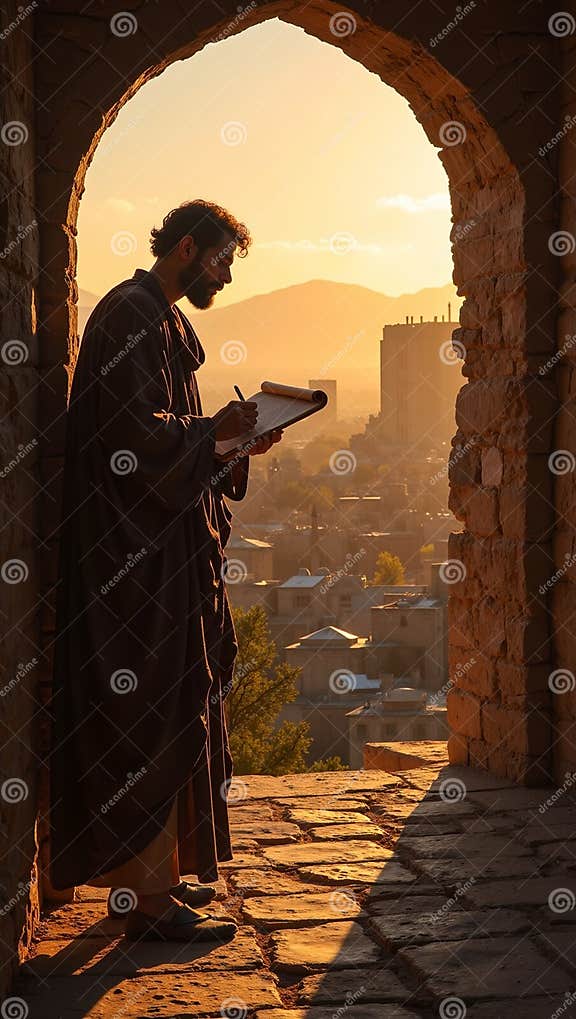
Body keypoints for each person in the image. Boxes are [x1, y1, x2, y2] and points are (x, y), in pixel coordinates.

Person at [48, 199, 282, 942]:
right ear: (186, 248)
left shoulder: (163, 320)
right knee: (148, 716)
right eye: (221, 261)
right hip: (132, 567)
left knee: (178, 708)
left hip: (166, 557)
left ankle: (162, 879)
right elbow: (127, 437)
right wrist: (213, 433)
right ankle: (146, 905)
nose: (226, 276)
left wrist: (232, 443)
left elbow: (175, 439)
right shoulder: (127, 316)